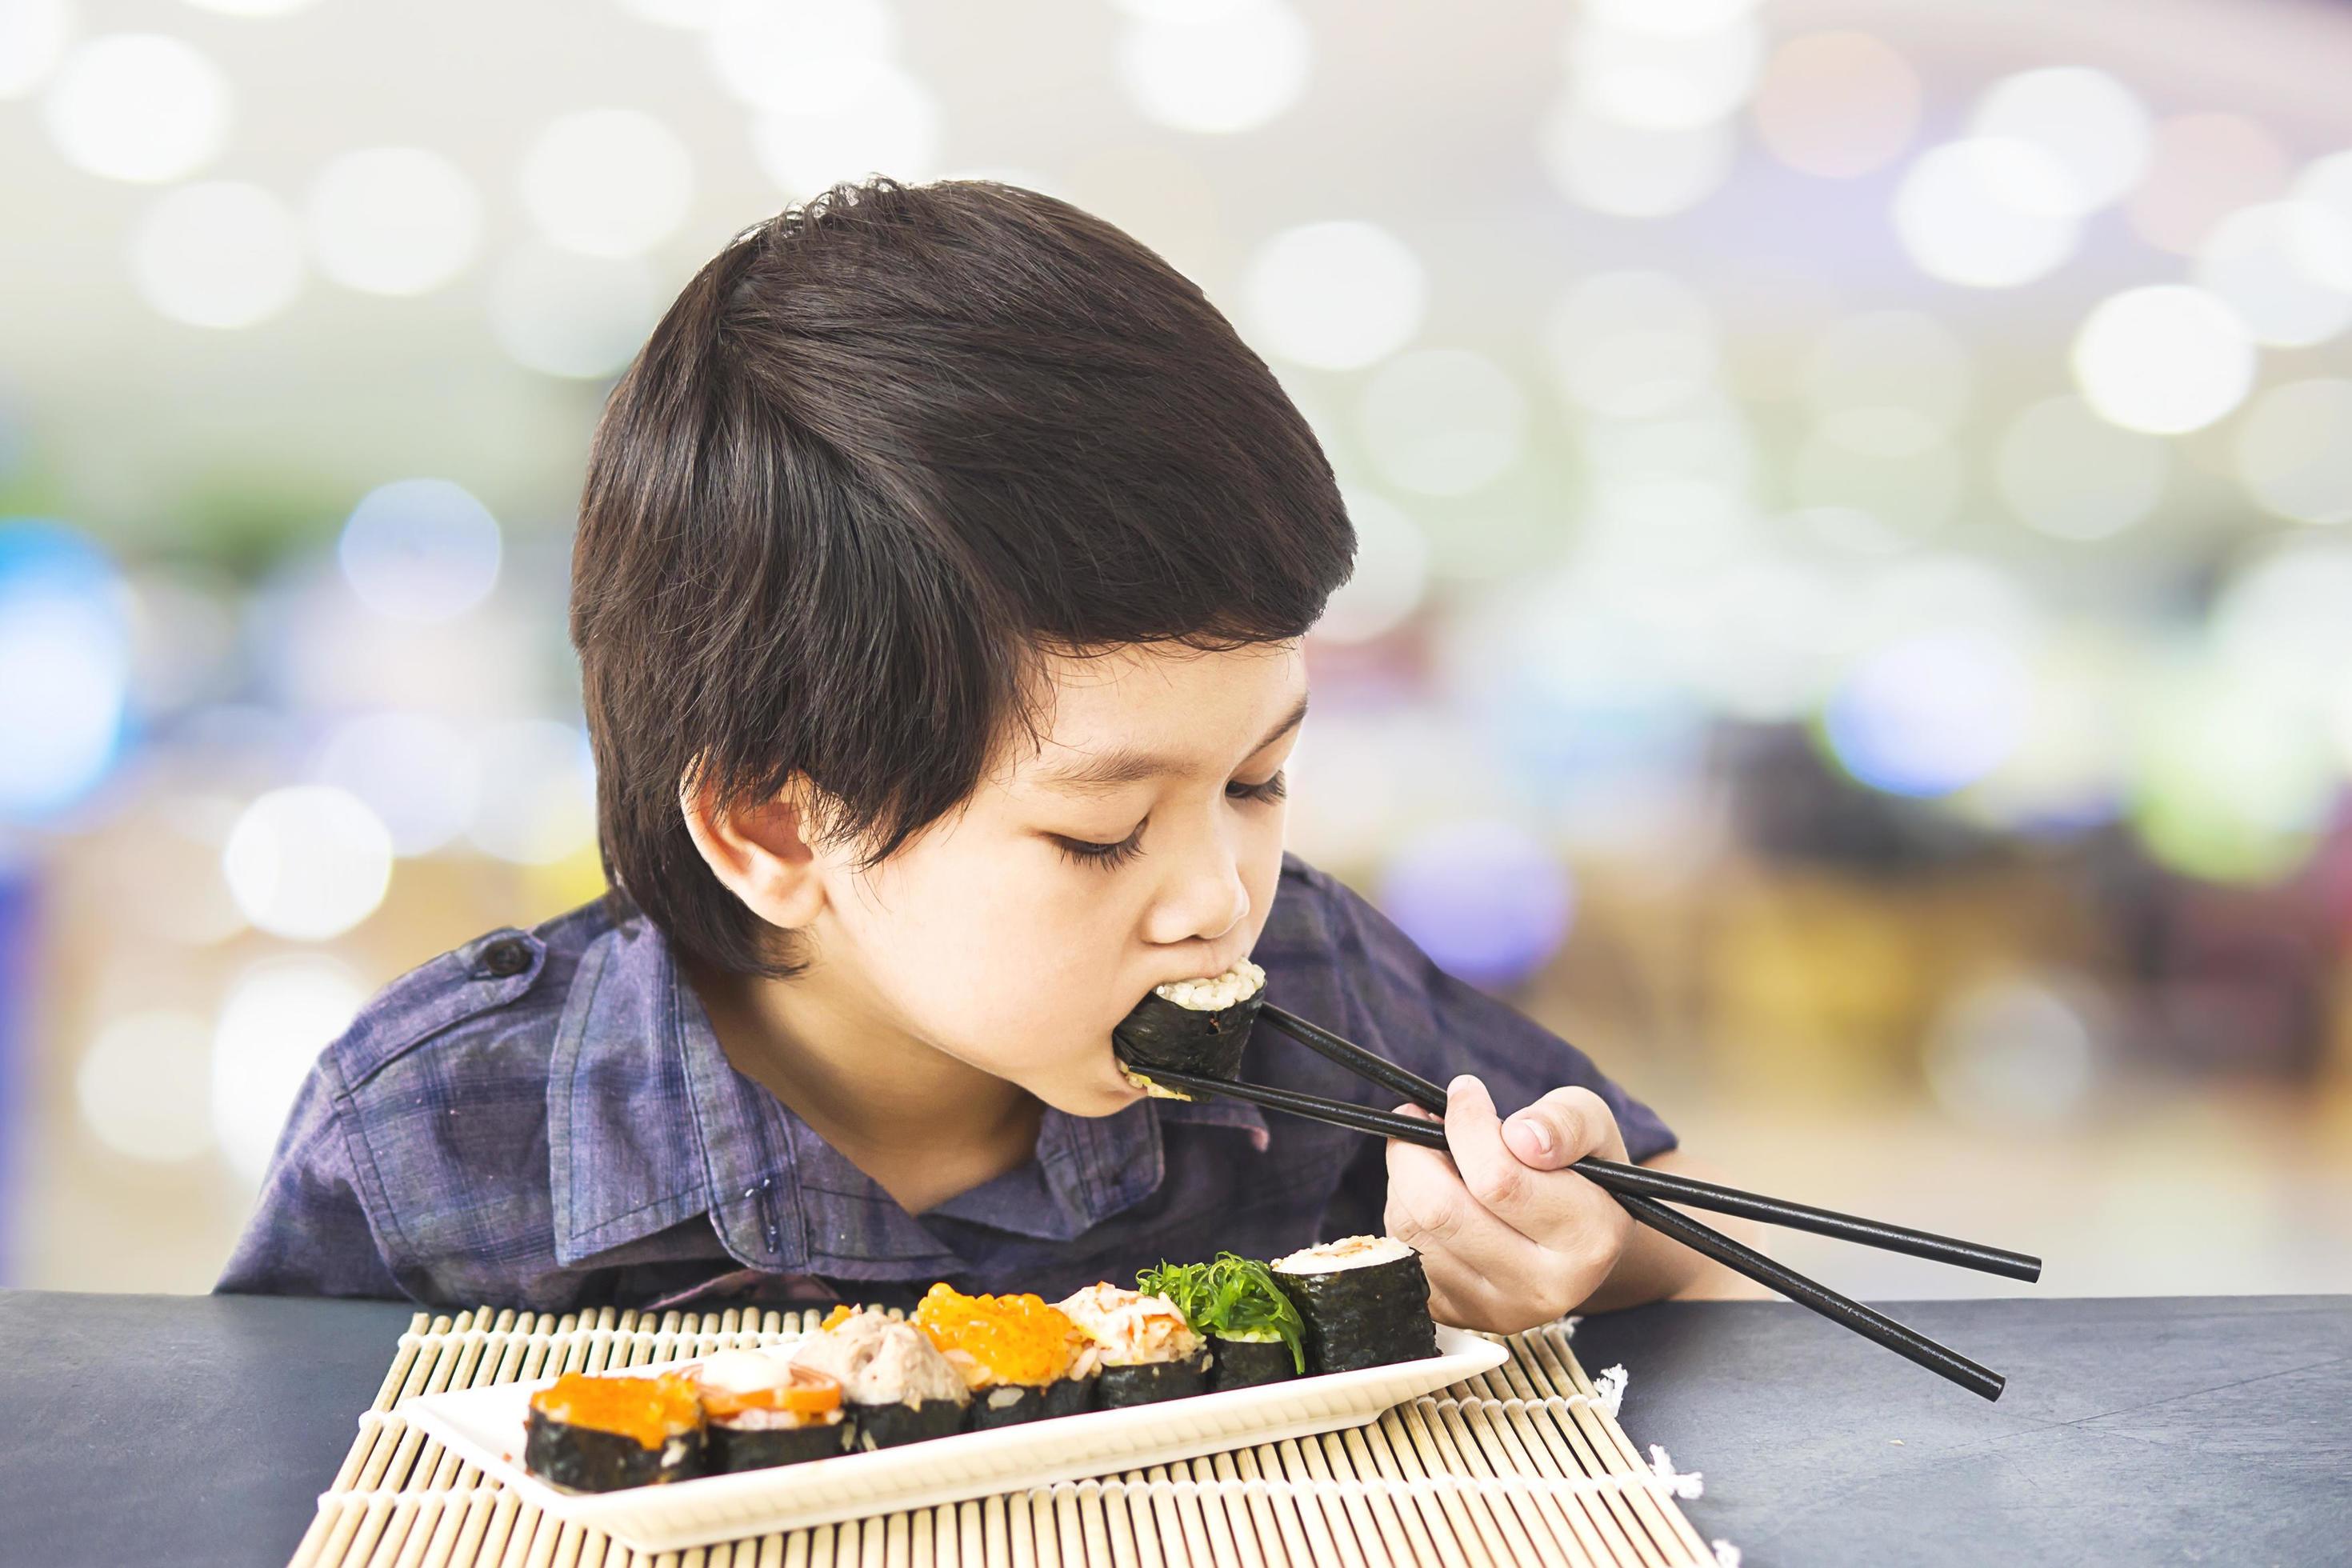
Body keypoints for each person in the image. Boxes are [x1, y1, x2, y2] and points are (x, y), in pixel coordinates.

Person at [218, 178, 1756, 1322]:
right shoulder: (441, 1136)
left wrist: (1579, 1239)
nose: (1219, 899)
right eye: (1100, 833)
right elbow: (275, 1486)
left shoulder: (1314, 987)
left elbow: (1681, 1232)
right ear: (772, 825)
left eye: (1256, 780)